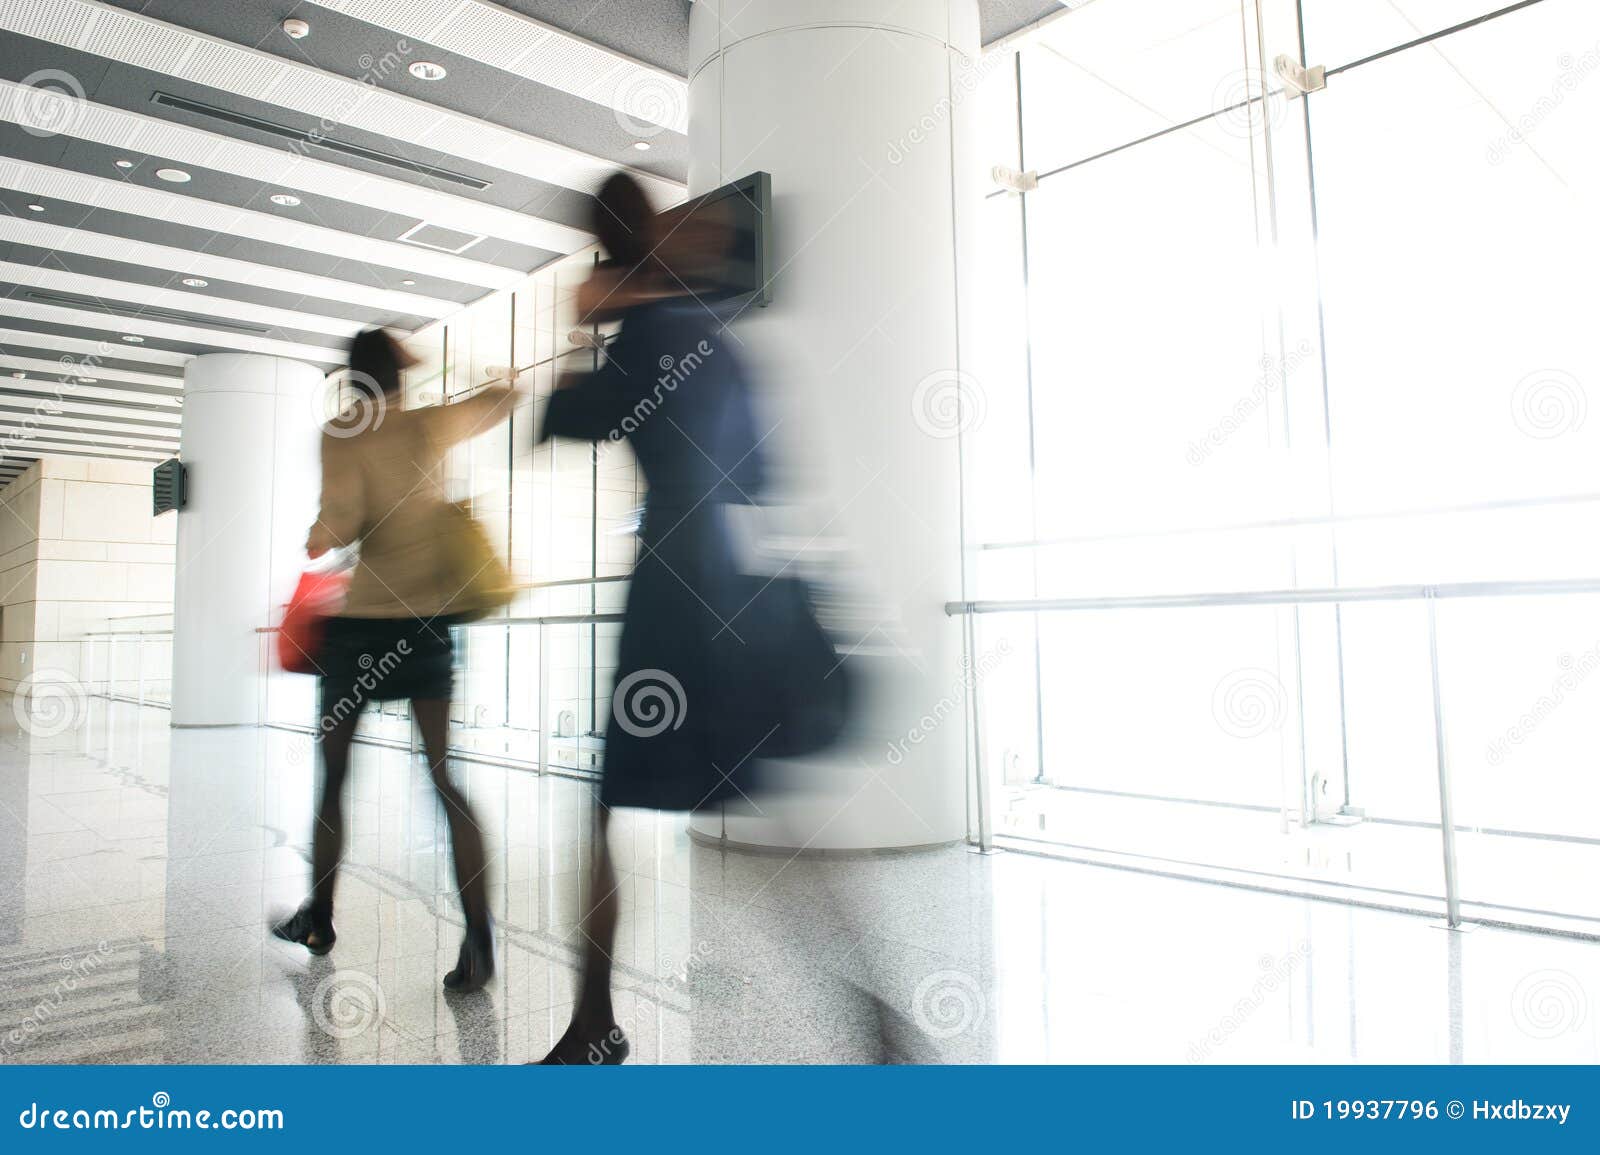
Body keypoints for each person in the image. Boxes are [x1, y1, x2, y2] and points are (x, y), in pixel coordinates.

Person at [535, 173, 803, 1063]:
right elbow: (767, 470)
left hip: (673, 588)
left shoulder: (652, 330)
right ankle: (883, 1027)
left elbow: (575, 417)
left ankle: (593, 1022)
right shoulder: (717, 336)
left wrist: (583, 328)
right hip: (737, 582)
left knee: (611, 803)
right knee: (764, 800)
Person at [272, 328, 517, 994]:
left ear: (354, 380)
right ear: (399, 372)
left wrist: (319, 531)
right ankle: (479, 939)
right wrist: (451, 359)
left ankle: (319, 919)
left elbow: (339, 525)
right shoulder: (428, 423)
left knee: (336, 775)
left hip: (362, 628)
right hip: (431, 621)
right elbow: (504, 397)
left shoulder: (342, 432)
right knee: (443, 777)